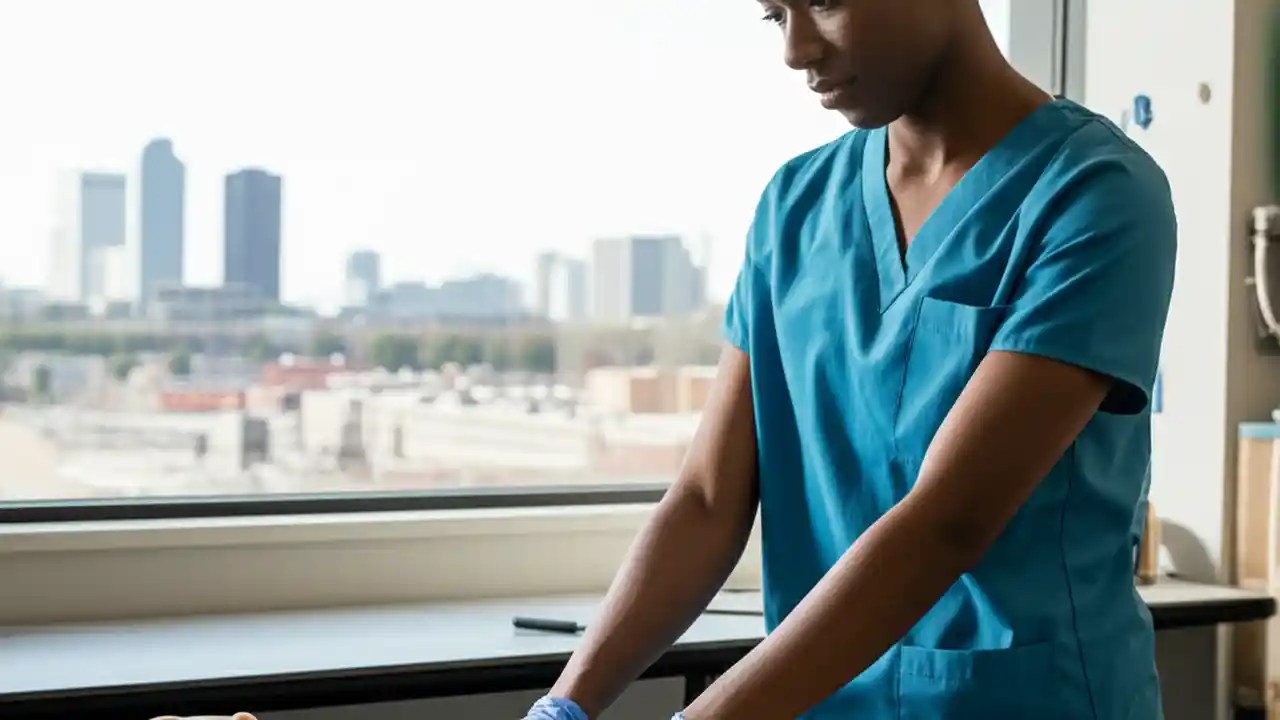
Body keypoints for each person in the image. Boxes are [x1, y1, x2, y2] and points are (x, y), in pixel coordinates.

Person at [161, 0, 1175, 718]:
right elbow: (705, 498)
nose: (795, 50)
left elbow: (944, 523)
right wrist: (569, 705)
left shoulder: (1094, 195)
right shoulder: (797, 205)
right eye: (772, 14)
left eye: (822, 1)